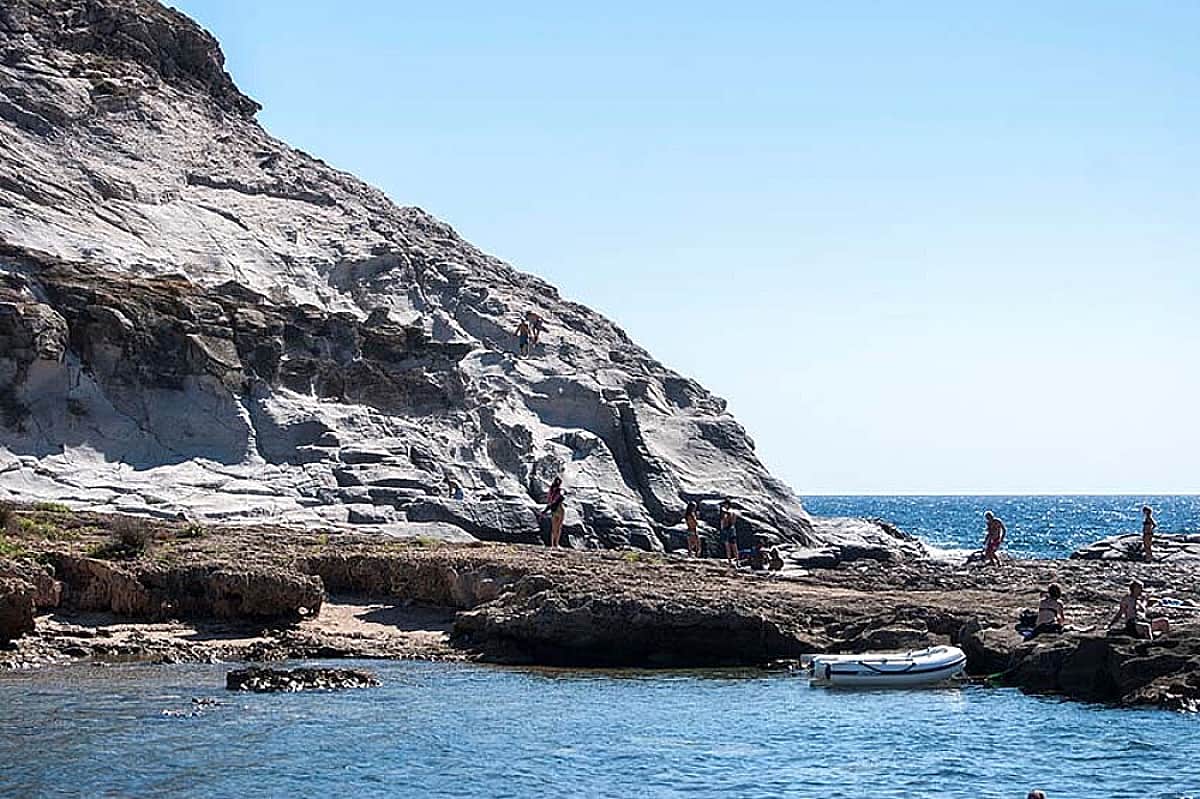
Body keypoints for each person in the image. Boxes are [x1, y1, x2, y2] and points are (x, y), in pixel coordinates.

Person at [543, 477, 566, 548]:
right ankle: (556, 543)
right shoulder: (559, 491)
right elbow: (561, 498)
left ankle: (554, 544)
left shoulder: (551, 491)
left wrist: (545, 511)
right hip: (559, 509)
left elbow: (549, 502)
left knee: (554, 528)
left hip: (554, 510)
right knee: (558, 528)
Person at [719, 500, 738, 565]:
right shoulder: (726, 513)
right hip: (728, 529)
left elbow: (730, 521)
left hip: (729, 529)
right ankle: (730, 560)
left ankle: (736, 560)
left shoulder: (730, 512)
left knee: (732, 545)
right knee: (729, 545)